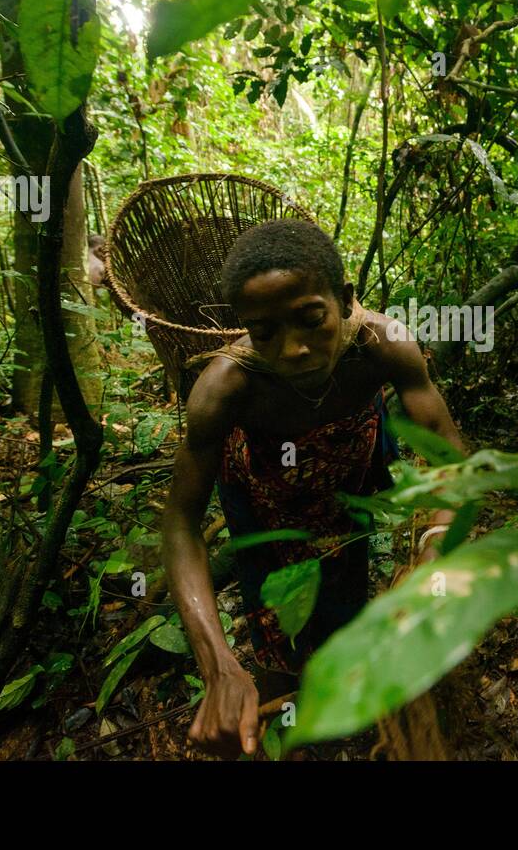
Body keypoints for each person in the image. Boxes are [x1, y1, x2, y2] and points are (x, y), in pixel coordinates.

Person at [159, 218, 465, 759]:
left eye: (309, 319)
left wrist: (433, 549)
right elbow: (182, 523)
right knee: (272, 610)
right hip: (261, 495)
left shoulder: (384, 345)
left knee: (345, 577)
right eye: (266, 332)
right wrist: (218, 666)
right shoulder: (224, 388)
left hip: (348, 476)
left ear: (344, 300)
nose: (294, 349)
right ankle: (282, 714)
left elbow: (448, 455)